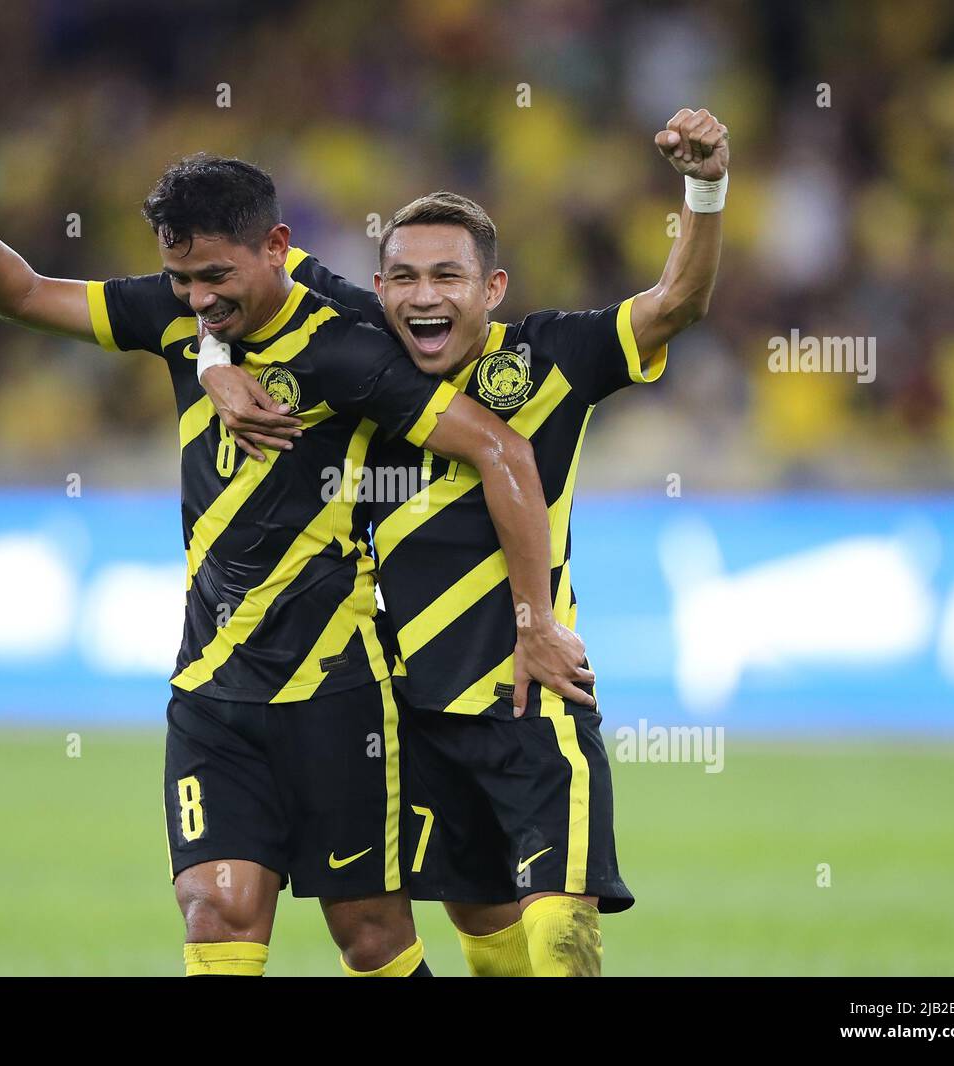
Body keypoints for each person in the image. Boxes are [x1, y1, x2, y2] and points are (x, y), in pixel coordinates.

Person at [0, 151, 594, 976]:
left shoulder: (352, 347)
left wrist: (534, 621)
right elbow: (21, 293)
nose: (197, 297)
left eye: (214, 277)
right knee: (215, 909)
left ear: (276, 246)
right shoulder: (180, 315)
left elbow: (498, 447)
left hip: (336, 691)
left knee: (370, 932)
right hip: (211, 688)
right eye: (182, 278)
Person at [200, 108, 728, 975]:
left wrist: (703, 187)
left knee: (561, 944)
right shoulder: (361, 350)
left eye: (449, 275)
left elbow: (679, 302)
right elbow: (220, 282)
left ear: (492, 289)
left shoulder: (553, 356)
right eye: (403, 277)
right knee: (492, 958)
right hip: (411, 719)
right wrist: (212, 360)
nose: (424, 295)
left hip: (534, 705)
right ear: (379, 286)